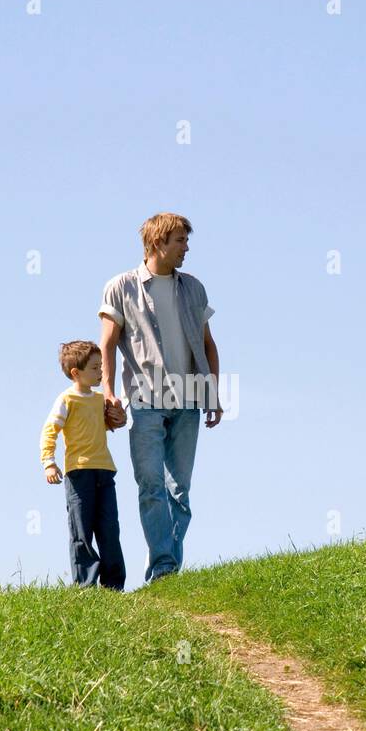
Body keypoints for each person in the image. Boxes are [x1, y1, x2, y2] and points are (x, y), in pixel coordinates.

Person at [97, 212, 223, 584]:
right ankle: (165, 566)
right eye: (180, 241)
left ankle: (168, 572)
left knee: (179, 490)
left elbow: (207, 344)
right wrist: (107, 391)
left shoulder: (194, 288)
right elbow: (106, 345)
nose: (186, 248)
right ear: (158, 244)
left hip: (189, 397)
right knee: (151, 484)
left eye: (186, 240)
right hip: (144, 398)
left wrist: (212, 393)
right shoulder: (120, 286)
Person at [39, 340, 126, 591]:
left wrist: (117, 419)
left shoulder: (100, 400)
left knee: (109, 529)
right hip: (78, 474)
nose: (101, 372)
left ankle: (113, 585)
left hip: (105, 471)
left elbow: (108, 425)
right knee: (81, 530)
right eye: (95, 368)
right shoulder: (66, 400)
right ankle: (85, 585)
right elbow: (49, 431)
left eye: (101, 367)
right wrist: (49, 463)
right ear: (76, 373)